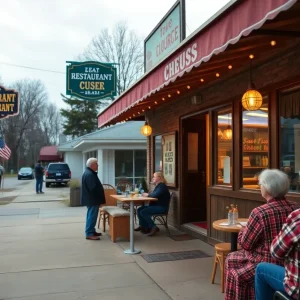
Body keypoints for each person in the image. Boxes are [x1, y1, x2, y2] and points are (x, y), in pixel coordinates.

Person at [224, 169, 300, 300]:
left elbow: (246, 244)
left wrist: (243, 231)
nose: (260, 187)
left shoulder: (260, 212)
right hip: (290, 262)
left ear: (268, 188)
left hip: (266, 261)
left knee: (233, 266)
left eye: (261, 184)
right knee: (232, 258)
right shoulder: (295, 207)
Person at [255, 208, 300, 300]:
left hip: (297, 289)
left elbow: (275, 252)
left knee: (261, 269)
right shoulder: (292, 206)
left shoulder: (297, 216)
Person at [134, 172, 170, 236]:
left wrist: (147, 195)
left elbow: (155, 195)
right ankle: (143, 226)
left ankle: (153, 227)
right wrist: (148, 195)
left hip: (161, 207)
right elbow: (154, 195)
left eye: (154, 177)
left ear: (159, 178)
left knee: (143, 212)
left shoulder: (162, 186)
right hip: (156, 206)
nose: (153, 178)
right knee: (139, 209)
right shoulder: (158, 186)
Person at [81, 157, 106, 241]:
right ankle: (89, 233)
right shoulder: (89, 174)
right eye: (96, 164)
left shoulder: (89, 173)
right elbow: (93, 189)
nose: (98, 165)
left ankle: (91, 230)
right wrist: (100, 199)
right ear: (92, 165)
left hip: (91, 199)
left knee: (91, 215)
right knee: (92, 216)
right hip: (93, 199)